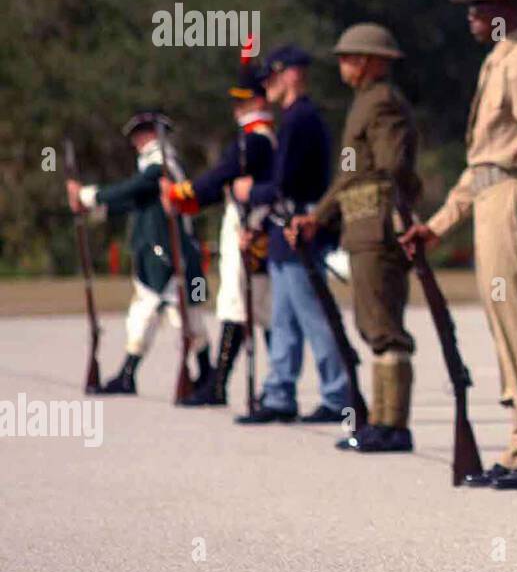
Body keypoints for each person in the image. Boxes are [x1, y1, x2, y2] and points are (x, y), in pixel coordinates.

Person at [399, 0, 517, 490]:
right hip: (494, 199)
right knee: (503, 322)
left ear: (508, 7)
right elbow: (479, 165)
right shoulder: (497, 59)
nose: (471, 15)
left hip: (516, 200)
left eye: (481, 5)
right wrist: (438, 224)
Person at [289, 24, 421, 453]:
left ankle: (393, 424)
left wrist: (322, 213)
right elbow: (350, 172)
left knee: (383, 326)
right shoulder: (364, 104)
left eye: (348, 57)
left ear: (367, 61)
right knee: (371, 324)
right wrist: (320, 216)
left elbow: (389, 166)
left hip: (377, 226)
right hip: (361, 225)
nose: (342, 64)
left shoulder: (382, 104)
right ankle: (380, 421)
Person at [231, 44, 351, 424]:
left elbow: (284, 185)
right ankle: (280, 392)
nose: (267, 88)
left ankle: (338, 395)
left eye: (271, 78)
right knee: (284, 320)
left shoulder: (301, 119)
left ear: (290, 75)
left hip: (300, 227)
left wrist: (252, 192)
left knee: (312, 315)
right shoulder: (294, 117)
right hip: (285, 230)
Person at [65, 112, 212, 396]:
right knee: (161, 316)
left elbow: (130, 190)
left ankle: (202, 374)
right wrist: (95, 208)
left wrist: (87, 195)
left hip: (170, 258)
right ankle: (141, 374)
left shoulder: (160, 167)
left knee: (182, 318)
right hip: (166, 257)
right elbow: (136, 202)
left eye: (139, 136)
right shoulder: (158, 168)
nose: (135, 143)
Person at [162, 63, 276, 407]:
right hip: (246, 221)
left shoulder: (255, 139)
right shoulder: (253, 138)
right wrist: (189, 200)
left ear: (259, 100)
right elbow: (222, 184)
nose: (237, 108)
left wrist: (181, 192)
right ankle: (253, 385)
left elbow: (220, 175)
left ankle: (227, 385)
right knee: (251, 305)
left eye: (245, 100)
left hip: (249, 225)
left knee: (240, 304)